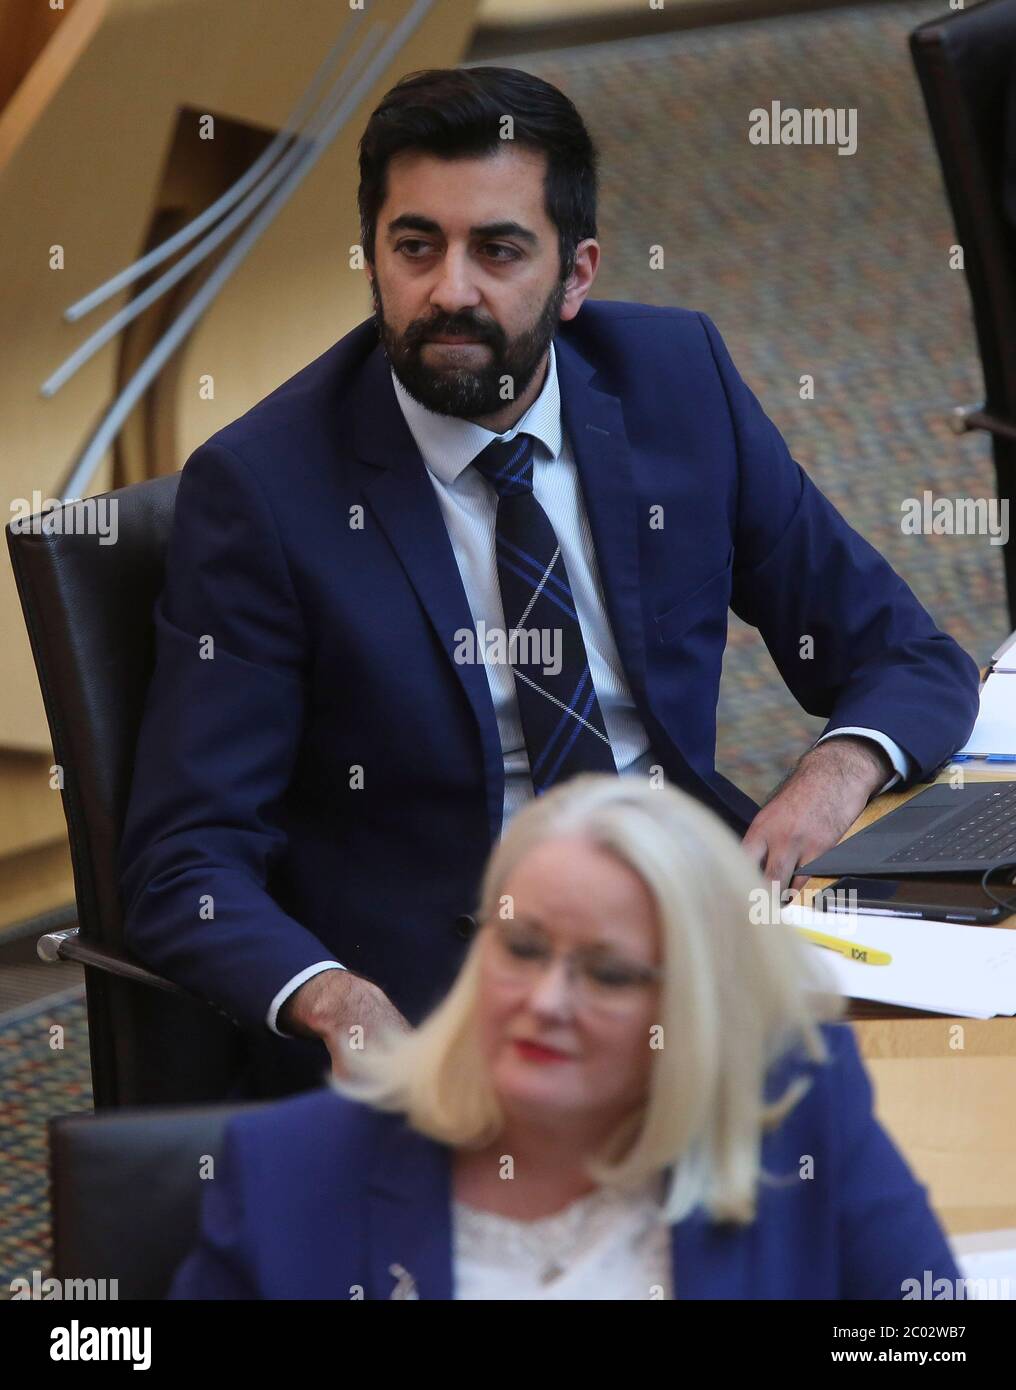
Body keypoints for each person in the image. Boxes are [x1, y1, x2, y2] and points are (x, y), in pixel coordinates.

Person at [118, 65, 979, 1098]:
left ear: (575, 275)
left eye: (497, 249)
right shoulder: (266, 491)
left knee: (930, 1100)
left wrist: (829, 776)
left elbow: (901, 652)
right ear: (373, 260)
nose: (449, 290)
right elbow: (186, 862)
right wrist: (336, 1000)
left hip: (694, 925)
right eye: (414, 246)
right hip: (452, 994)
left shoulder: (675, 382)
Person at [169, 775, 959, 1300]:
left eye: (610, 975)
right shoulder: (290, 1172)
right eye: (522, 948)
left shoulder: (796, 1111)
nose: (546, 1002)